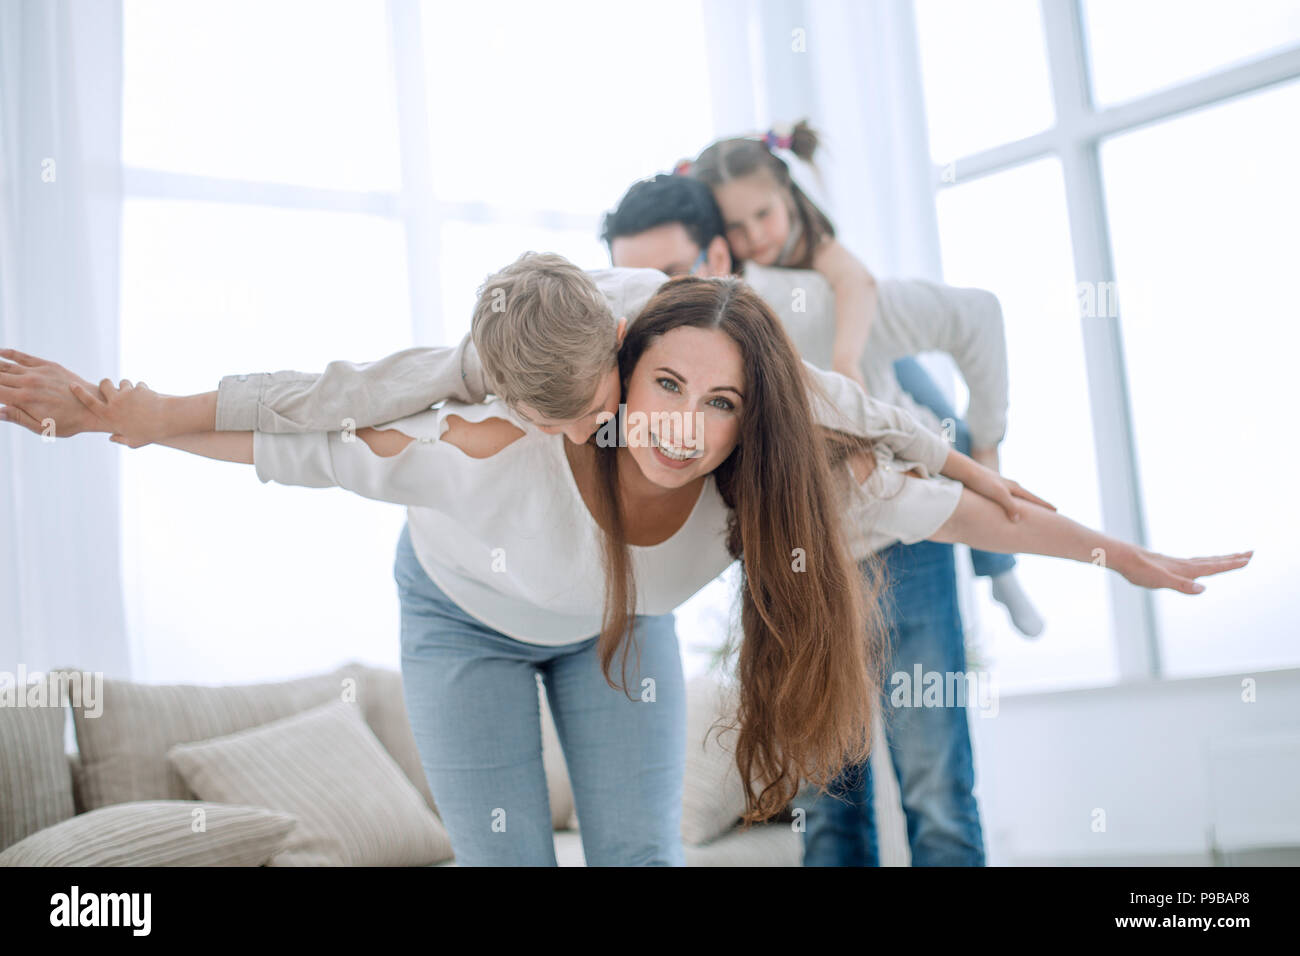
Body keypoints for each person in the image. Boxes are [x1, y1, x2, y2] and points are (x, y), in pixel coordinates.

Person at [5, 276, 1250, 870]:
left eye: (719, 403)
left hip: (614, 636)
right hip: (462, 625)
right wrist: (126, 414)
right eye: (666, 385)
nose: (682, 423)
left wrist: (1113, 550)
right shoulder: (485, 442)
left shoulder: (758, 481)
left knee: (640, 860)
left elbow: (955, 515)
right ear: (621, 371)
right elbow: (303, 433)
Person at [601, 169, 1011, 864]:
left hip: (902, 545)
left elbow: (974, 314)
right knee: (825, 801)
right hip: (791, 570)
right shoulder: (642, 351)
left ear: (720, 258)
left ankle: (1004, 571)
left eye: (668, 274)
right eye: (630, 282)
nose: (652, 301)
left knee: (935, 788)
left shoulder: (821, 296)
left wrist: (989, 444)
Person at [688, 121, 1043, 638]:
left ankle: (1001, 568)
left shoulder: (815, 243)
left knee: (952, 438)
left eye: (763, 215)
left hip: (862, 353)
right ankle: (1000, 564)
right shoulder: (741, 278)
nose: (755, 236)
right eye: (736, 227)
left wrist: (847, 359)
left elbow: (860, 281)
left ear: (787, 195)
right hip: (848, 390)